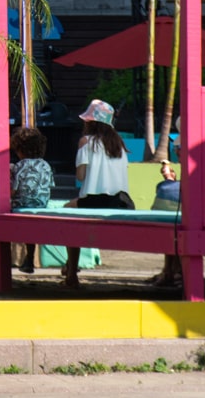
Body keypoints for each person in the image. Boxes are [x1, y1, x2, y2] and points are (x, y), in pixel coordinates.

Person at [63, 100, 132, 289]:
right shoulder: (120, 144)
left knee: (67, 211)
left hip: (95, 200)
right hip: (122, 202)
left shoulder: (86, 142)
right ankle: (70, 268)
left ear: (91, 122)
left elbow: (80, 176)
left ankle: (71, 271)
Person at [9, 127, 53, 273]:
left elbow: (13, 191)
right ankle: (30, 258)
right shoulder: (46, 165)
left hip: (21, 206)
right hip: (41, 205)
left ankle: (6, 260)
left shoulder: (19, 166)